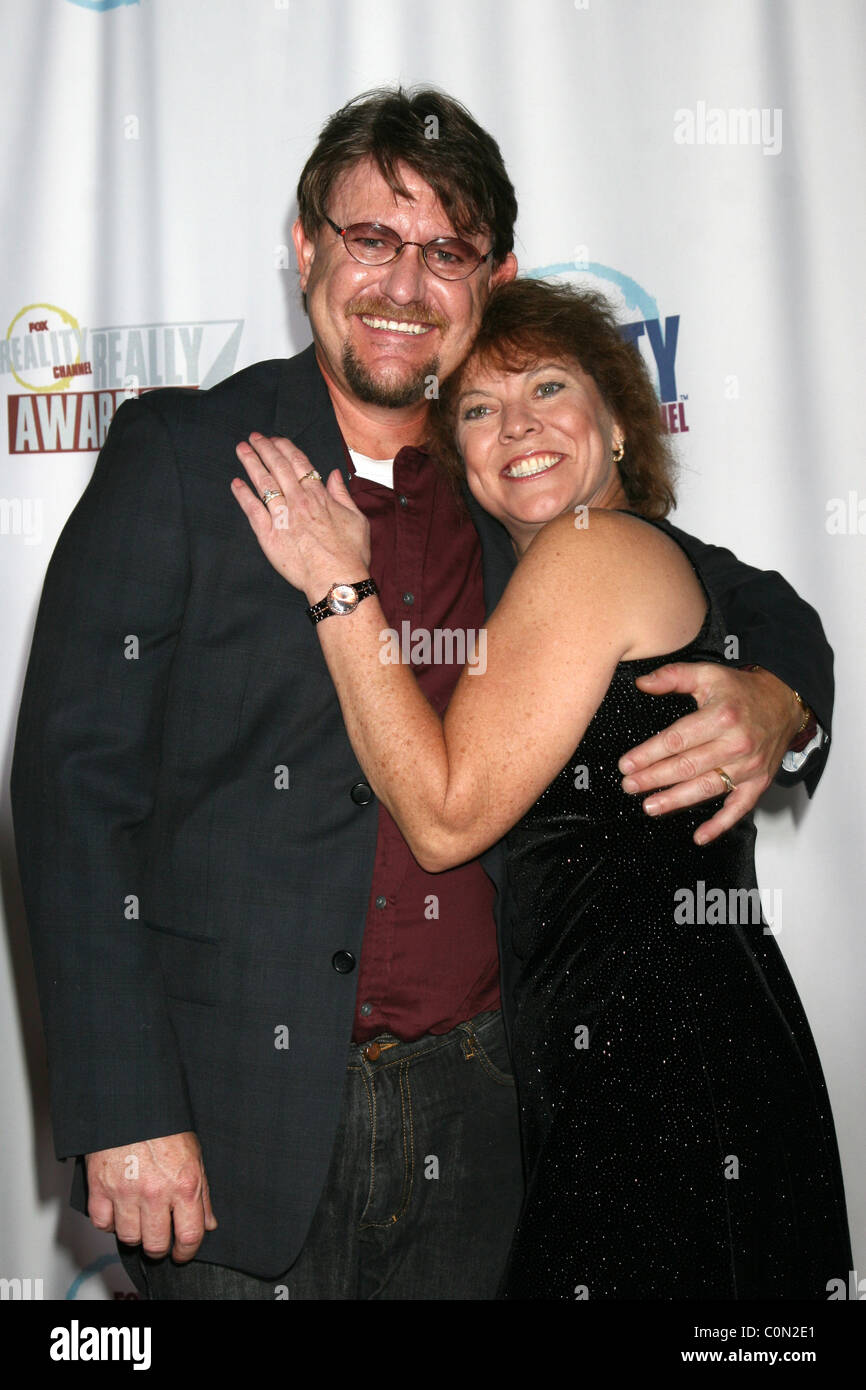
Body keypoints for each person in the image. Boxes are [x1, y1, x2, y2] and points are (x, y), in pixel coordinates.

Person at [11, 88, 834, 1301]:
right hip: (231, 1127)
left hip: (491, 1122)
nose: (404, 284)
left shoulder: (514, 481)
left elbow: (737, 589)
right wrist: (125, 1107)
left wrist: (779, 698)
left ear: (491, 279)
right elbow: (70, 791)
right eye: (370, 240)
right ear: (305, 250)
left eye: (444, 250)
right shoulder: (184, 454)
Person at [232, 276, 851, 1298]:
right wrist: (788, 688)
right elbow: (766, 602)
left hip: (653, 1088)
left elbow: (442, 817)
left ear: (614, 428)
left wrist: (338, 590)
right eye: (477, 407)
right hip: (668, 1064)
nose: (513, 426)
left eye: (548, 390)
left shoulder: (585, 551)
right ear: (455, 451)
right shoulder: (581, 567)